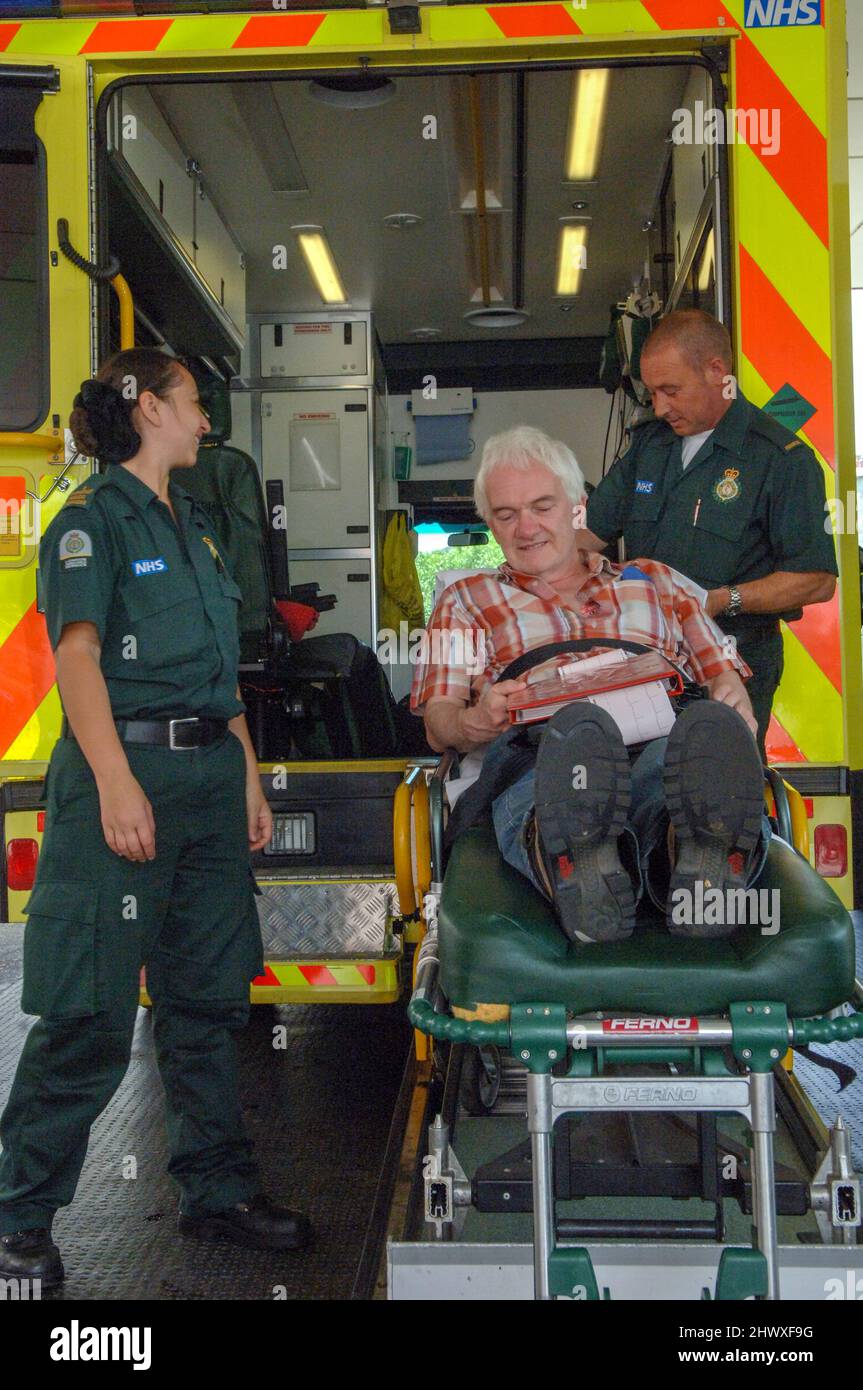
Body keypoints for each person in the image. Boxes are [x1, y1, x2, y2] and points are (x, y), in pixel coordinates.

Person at [0, 349, 311, 1290]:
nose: (206, 419)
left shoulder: (198, 531)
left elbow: (222, 685)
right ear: (145, 408)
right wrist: (112, 782)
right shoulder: (89, 523)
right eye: (193, 402)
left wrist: (249, 778)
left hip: (209, 780)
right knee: (90, 1013)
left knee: (207, 1005)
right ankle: (18, 1218)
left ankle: (215, 1191)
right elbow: (80, 660)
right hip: (127, 775)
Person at [412, 426, 772, 945]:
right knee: (556, 784)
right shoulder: (465, 601)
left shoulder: (656, 581)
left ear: (577, 506)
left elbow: (720, 672)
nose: (527, 527)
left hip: (663, 745)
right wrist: (473, 722)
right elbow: (438, 722)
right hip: (542, 754)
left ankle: (689, 859)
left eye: (542, 506)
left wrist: (730, 695)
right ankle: (582, 862)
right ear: (489, 522)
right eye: (506, 514)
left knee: (686, 767)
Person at [579, 310, 837, 758]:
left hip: (733, 663)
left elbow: (816, 579)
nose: (659, 406)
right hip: (647, 665)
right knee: (640, 796)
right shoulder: (649, 445)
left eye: (671, 390)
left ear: (717, 371)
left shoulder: (780, 459)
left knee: (715, 798)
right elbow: (587, 535)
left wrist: (718, 600)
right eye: (652, 392)